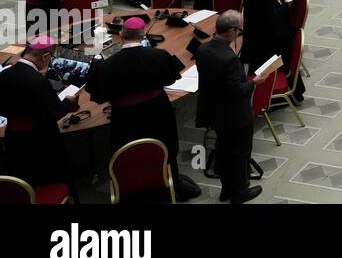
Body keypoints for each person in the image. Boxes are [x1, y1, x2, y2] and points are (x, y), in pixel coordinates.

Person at [85, 16, 202, 200]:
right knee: (165, 145)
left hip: (125, 116)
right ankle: (171, 181)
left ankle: (131, 186)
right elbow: (170, 79)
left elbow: (98, 95)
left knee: (128, 152)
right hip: (158, 109)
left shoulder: (105, 65)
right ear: (142, 36)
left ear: (121, 34)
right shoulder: (159, 55)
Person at [194, 11, 261, 203]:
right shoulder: (229, 58)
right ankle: (240, 192)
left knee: (223, 150)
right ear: (231, 31)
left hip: (214, 111)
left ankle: (227, 189)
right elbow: (238, 91)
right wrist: (255, 82)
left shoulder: (203, 49)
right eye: (239, 30)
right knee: (240, 154)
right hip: (235, 115)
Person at [0, 36, 76, 189]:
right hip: (40, 139)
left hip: (13, 137)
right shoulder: (38, 81)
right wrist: (69, 102)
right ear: (45, 56)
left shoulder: (4, 75)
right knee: (47, 178)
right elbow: (56, 113)